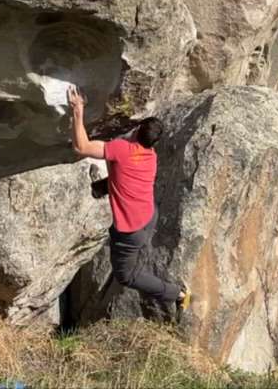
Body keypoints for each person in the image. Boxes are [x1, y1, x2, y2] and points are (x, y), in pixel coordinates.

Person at [67, 84, 191, 318]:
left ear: (136, 131)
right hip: (147, 216)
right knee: (117, 186)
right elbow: (124, 175)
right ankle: (101, 189)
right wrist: (102, 187)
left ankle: (178, 294)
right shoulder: (150, 156)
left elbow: (80, 147)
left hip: (131, 229)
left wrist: (77, 110)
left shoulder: (122, 150)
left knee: (127, 276)